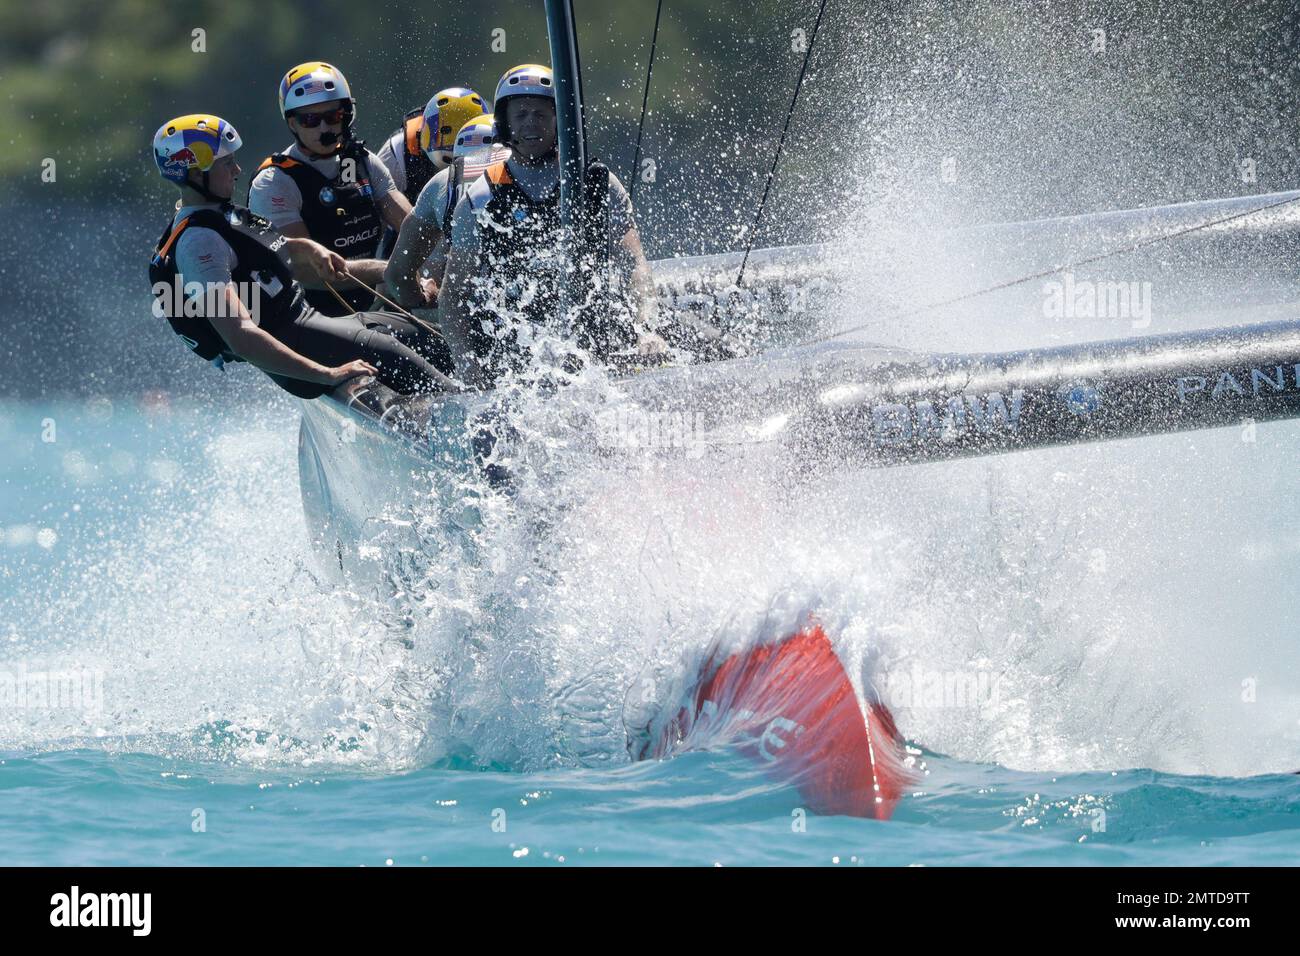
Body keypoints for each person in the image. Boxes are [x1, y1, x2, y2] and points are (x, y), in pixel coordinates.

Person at [149, 113, 457, 399]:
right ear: (193, 171)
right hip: (296, 340)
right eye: (226, 163)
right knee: (390, 348)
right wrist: (328, 374)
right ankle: (469, 415)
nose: (237, 170)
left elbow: (262, 250)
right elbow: (239, 335)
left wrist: (310, 249)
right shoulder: (198, 244)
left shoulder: (217, 214)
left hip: (311, 323)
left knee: (428, 337)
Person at [435, 64, 666, 389]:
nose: (531, 123)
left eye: (542, 114)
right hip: (518, 358)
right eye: (521, 114)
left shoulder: (598, 184)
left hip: (597, 348)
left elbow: (634, 265)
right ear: (504, 123)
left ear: (562, 120)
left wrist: (645, 329)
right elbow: (454, 297)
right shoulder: (480, 199)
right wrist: (471, 370)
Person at [248, 62, 413, 317]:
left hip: (371, 307)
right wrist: (391, 271)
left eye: (332, 116)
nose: (324, 128)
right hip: (307, 318)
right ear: (293, 124)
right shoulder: (274, 182)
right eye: (311, 120)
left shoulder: (362, 162)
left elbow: (414, 227)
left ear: (346, 115)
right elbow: (310, 274)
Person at [383, 113, 511, 310]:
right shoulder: (551, 180)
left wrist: (422, 302)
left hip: (456, 319)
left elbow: (397, 275)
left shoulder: (441, 184)